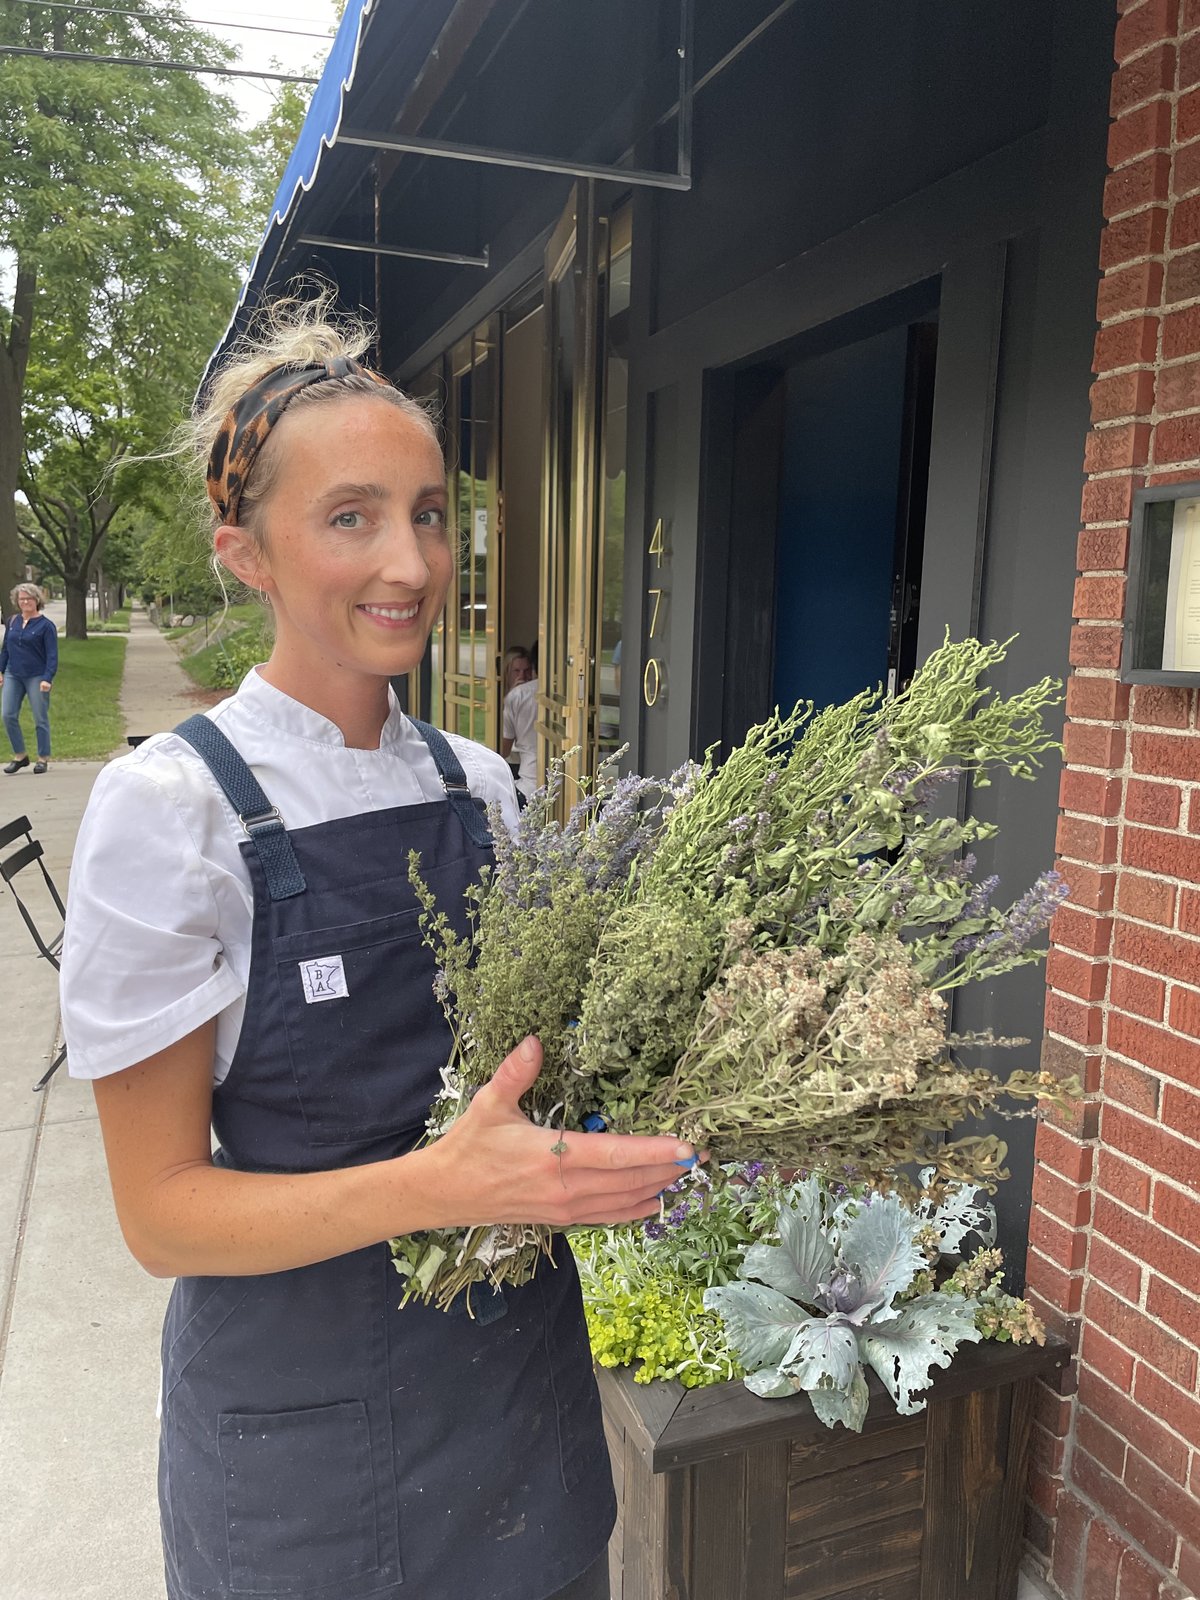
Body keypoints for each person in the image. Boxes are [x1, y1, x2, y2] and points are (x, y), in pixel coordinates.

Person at [58, 295, 694, 1600]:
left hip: (524, 1424)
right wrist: (441, 1188)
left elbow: (527, 1074)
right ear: (247, 552)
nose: (408, 563)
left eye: (427, 515)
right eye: (350, 518)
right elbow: (163, 1215)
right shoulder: (173, 815)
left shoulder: (479, 786)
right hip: (306, 1478)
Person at [0, 582, 57, 775]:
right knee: (7, 714)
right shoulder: (12, 621)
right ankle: (20, 755)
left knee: (40, 718)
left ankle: (43, 758)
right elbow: (6, 648)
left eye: (29, 598)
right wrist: (1, 671)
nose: (25, 602)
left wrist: (47, 678)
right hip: (13, 674)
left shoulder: (46, 626)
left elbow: (52, 655)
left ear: (37, 600)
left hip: (37, 675)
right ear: (17, 601)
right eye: (22, 599)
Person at [501, 640, 538, 801]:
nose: (522, 676)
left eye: (527, 670)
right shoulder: (511, 697)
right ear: (507, 672)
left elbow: (503, 750)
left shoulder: (518, 696)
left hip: (528, 777)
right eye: (516, 671)